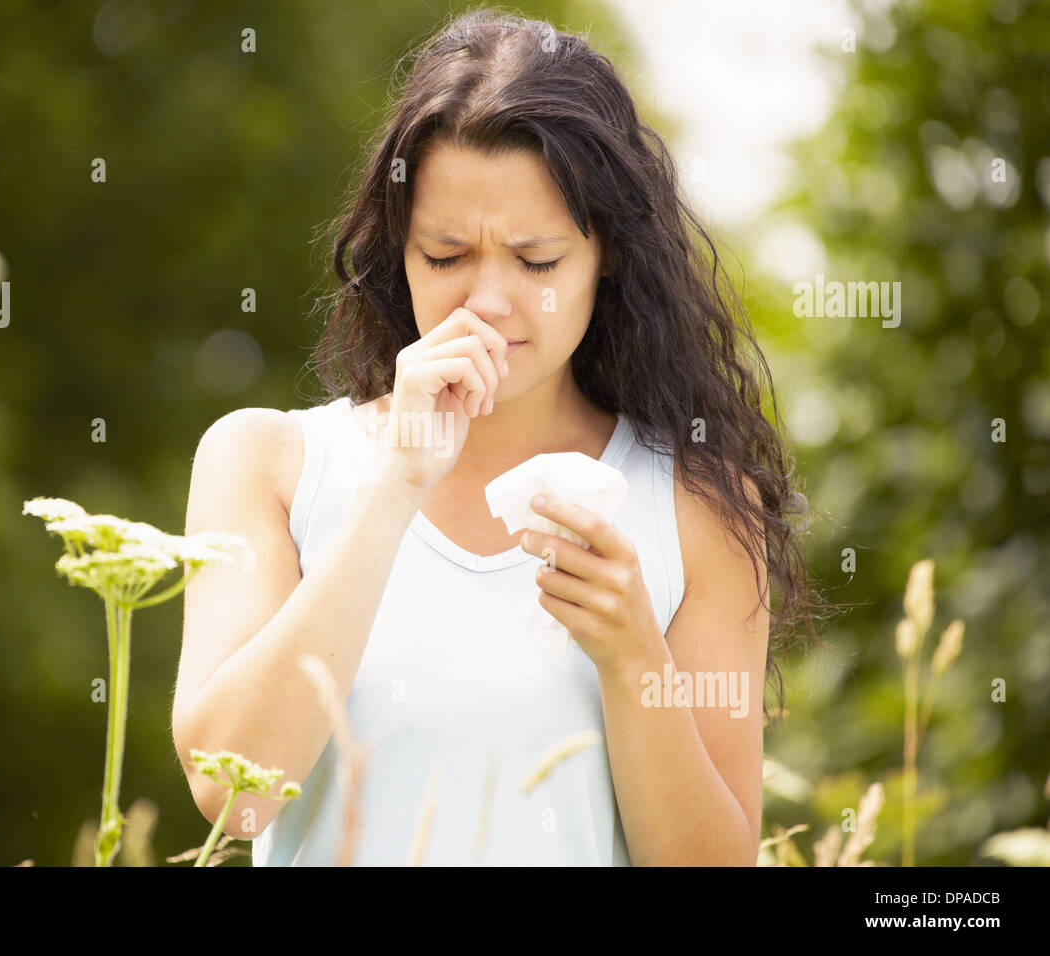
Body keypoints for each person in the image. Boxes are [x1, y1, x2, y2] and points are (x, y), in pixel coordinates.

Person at [172, 9, 831, 866]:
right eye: (445, 256)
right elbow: (236, 796)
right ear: (396, 253)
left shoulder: (696, 507)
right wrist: (393, 491)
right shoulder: (266, 463)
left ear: (610, 258)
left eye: (538, 261)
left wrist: (633, 653)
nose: (488, 301)